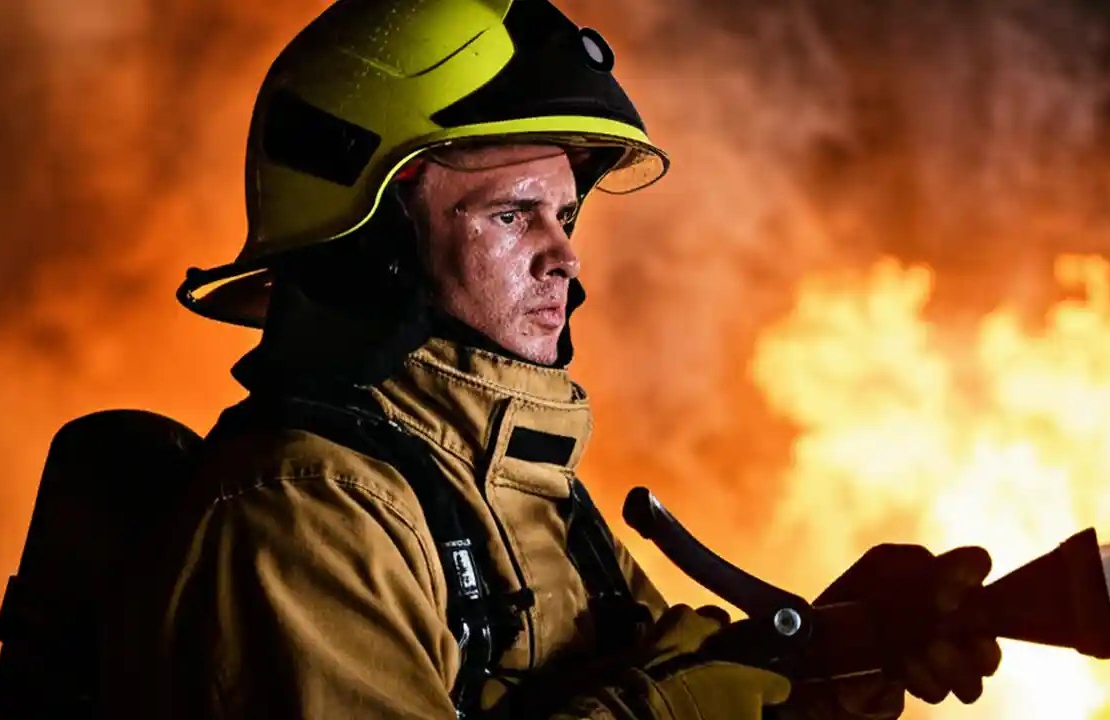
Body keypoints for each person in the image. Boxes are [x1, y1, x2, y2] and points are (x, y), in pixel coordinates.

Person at [155, 1, 1002, 717]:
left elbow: (672, 673)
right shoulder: (301, 512)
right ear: (376, 243)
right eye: (513, 215)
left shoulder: (516, 485)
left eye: (566, 215)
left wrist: (834, 648)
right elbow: (669, 697)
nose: (566, 256)